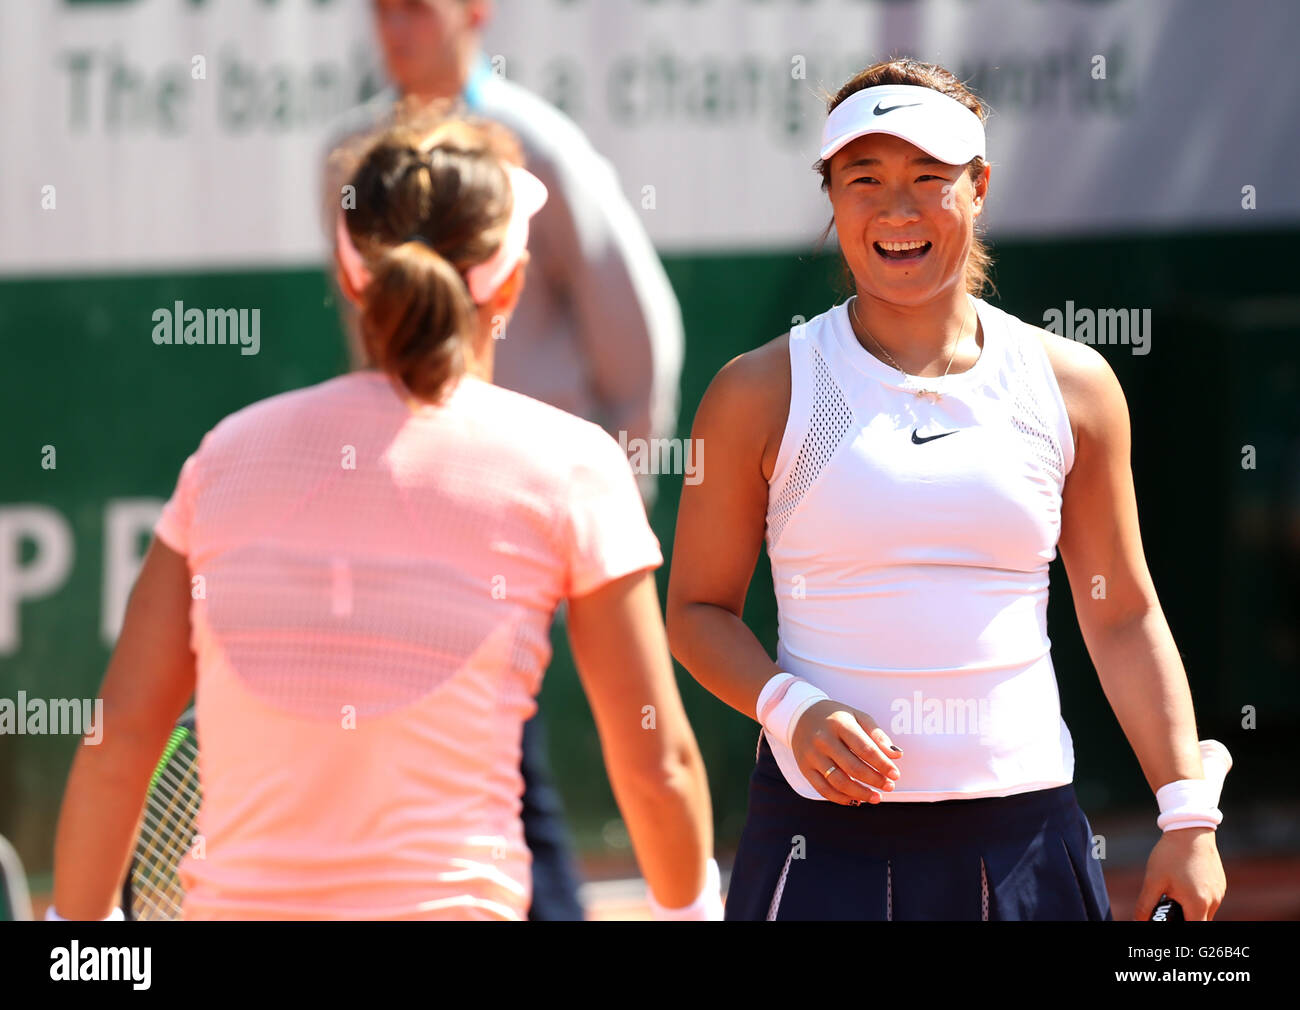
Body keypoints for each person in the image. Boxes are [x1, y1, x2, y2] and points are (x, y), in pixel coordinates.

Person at [47, 113, 719, 921]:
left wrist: (75, 950)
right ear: (508, 283)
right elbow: (658, 766)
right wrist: (694, 913)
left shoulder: (226, 456)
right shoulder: (572, 468)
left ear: (348, 270)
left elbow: (120, 736)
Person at [665, 57, 1227, 921]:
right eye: (866, 180)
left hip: (1031, 846)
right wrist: (791, 709)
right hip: (824, 848)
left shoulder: (1074, 387)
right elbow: (697, 610)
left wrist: (1187, 813)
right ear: (832, 195)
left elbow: (1122, 613)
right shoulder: (759, 391)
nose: (897, 210)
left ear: (980, 188)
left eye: (930, 178)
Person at [323, 0, 686, 918]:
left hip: (526, 515)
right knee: (492, 755)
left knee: (494, 753)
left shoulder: (538, 146)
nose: (394, 26)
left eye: (418, 6)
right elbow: (372, 344)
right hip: (414, 505)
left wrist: (605, 510)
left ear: (474, 11)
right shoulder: (356, 153)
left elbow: (639, 341)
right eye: (382, 8)